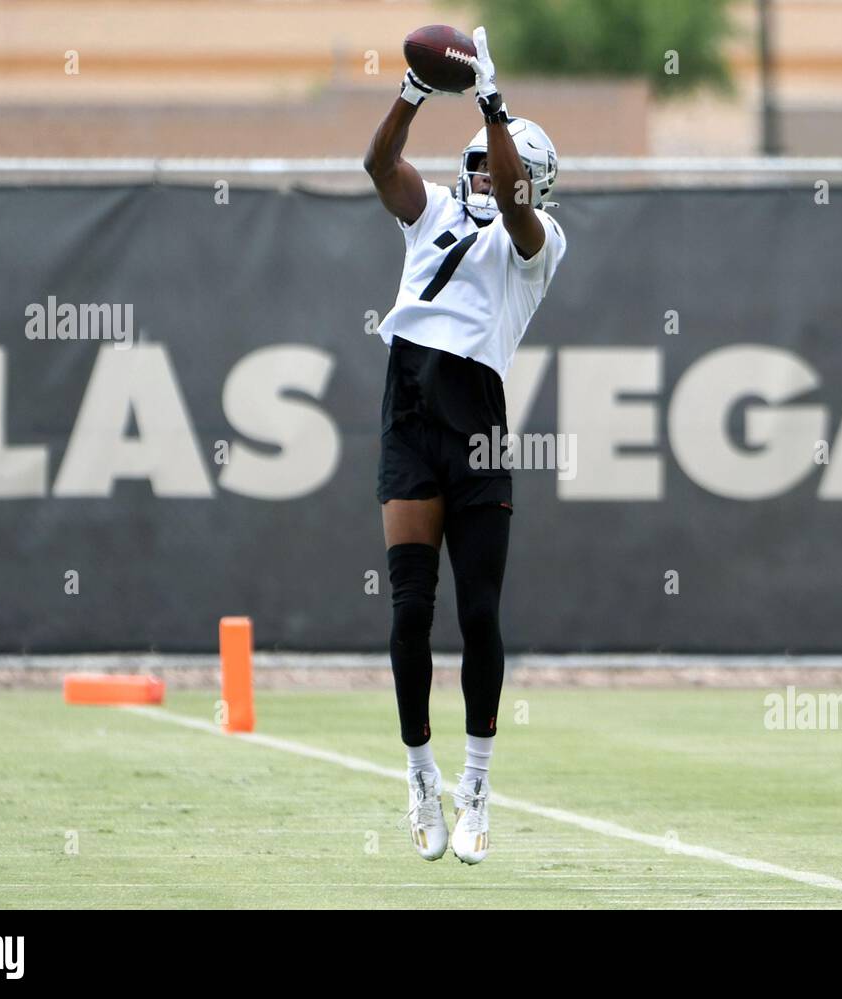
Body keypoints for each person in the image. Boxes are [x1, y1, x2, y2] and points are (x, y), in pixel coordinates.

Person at [362, 26, 567, 864]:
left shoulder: (540, 243)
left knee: (479, 614)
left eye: (499, 165)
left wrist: (493, 105)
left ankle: (477, 780)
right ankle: (420, 770)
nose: (485, 176)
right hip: (409, 406)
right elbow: (380, 169)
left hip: (476, 419)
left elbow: (518, 207)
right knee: (412, 611)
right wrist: (413, 92)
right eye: (479, 164)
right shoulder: (436, 214)